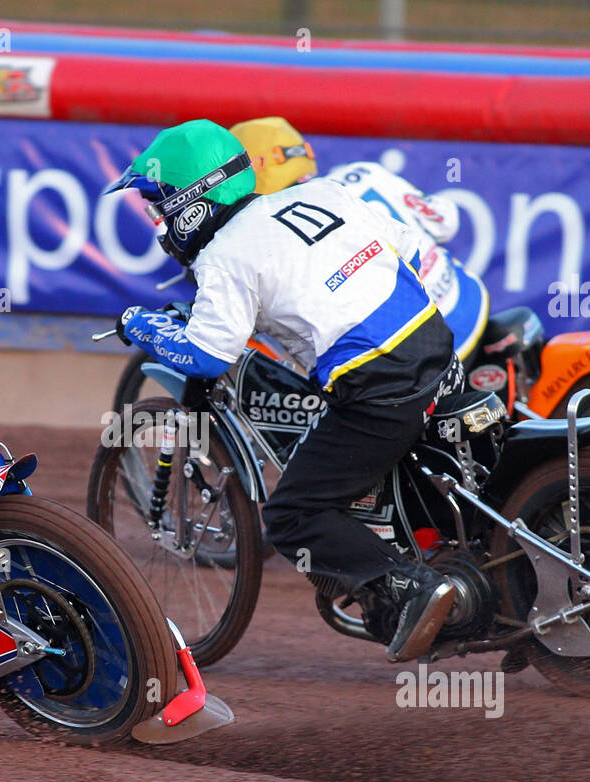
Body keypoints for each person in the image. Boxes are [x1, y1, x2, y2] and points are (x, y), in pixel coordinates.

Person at [107, 119, 463, 662]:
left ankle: (408, 588)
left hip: (379, 388)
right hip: (438, 348)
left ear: (192, 199)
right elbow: (409, 252)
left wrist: (141, 325)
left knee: (293, 515)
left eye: (161, 205)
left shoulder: (223, 255)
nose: (160, 221)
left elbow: (206, 355)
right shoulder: (322, 193)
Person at [229, 116, 490, 364]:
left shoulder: (276, 234)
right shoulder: (365, 171)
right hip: (471, 300)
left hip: (420, 346)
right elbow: (447, 222)